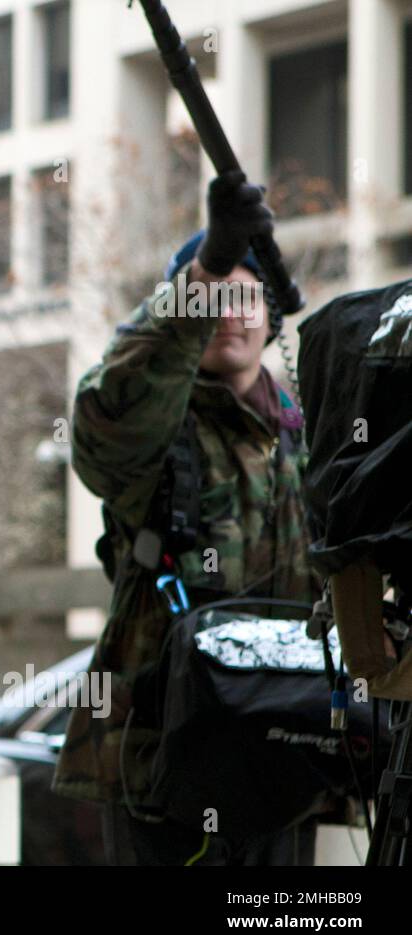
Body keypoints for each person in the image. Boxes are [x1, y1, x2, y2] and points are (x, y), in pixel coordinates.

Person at [52, 171, 322, 864]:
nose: (229, 310)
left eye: (243, 294)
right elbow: (105, 417)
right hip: (160, 752)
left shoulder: (306, 434)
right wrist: (205, 270)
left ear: (270, 315)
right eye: (213, 298)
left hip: (287, 749)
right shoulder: (153, 424)